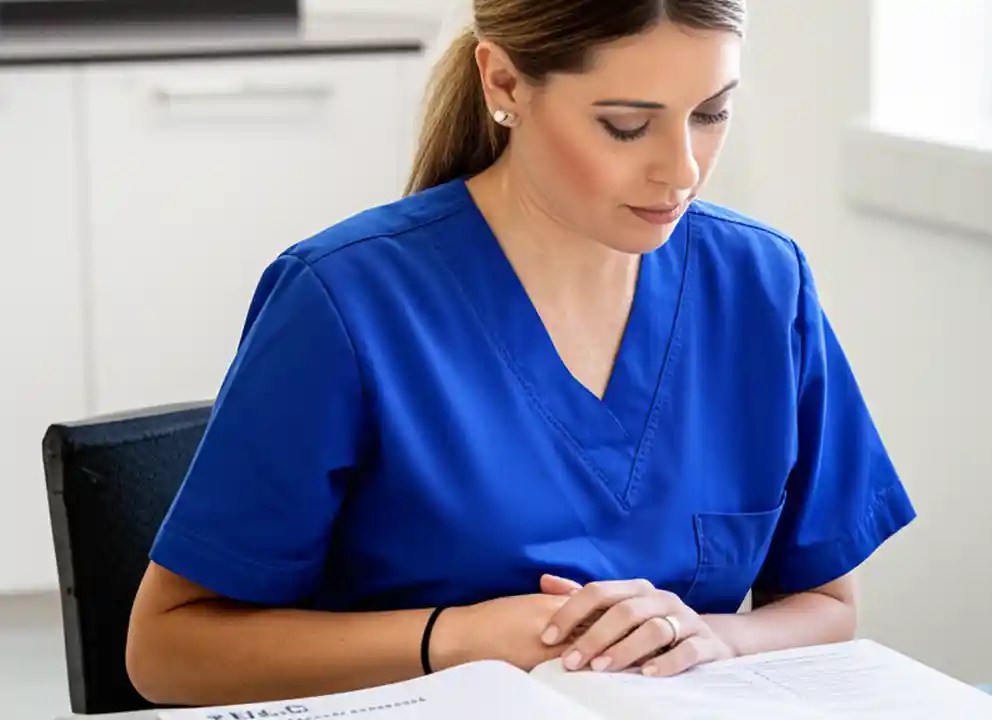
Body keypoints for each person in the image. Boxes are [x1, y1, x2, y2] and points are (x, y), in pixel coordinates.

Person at [125, 0, 915, 707]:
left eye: (711, 113)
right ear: (503, 83)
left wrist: (717, 636)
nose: (681, 170)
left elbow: (826, 604)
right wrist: (454, 639)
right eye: (626, 125)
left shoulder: (763, 284)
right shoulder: (344, 299)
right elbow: (166, 652)